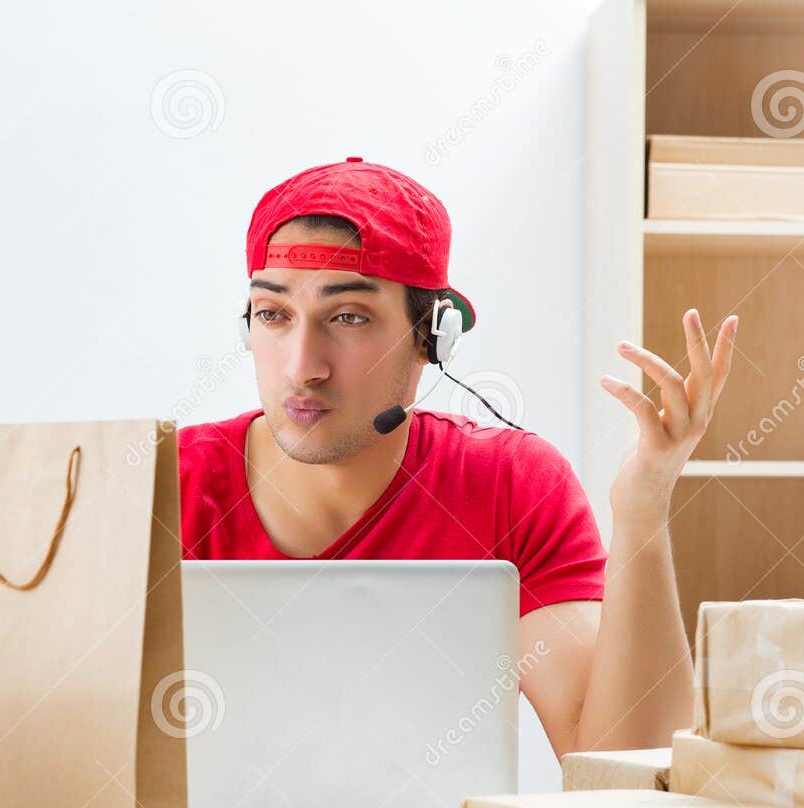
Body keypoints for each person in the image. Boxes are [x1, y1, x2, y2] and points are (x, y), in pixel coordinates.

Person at [179, 156, 737, 760]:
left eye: (348, 316)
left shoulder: (511, 485)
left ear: (431, 339)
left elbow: (626, 768)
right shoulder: (169, 483)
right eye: (273, 314)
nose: (302, 366)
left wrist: (644, 506)